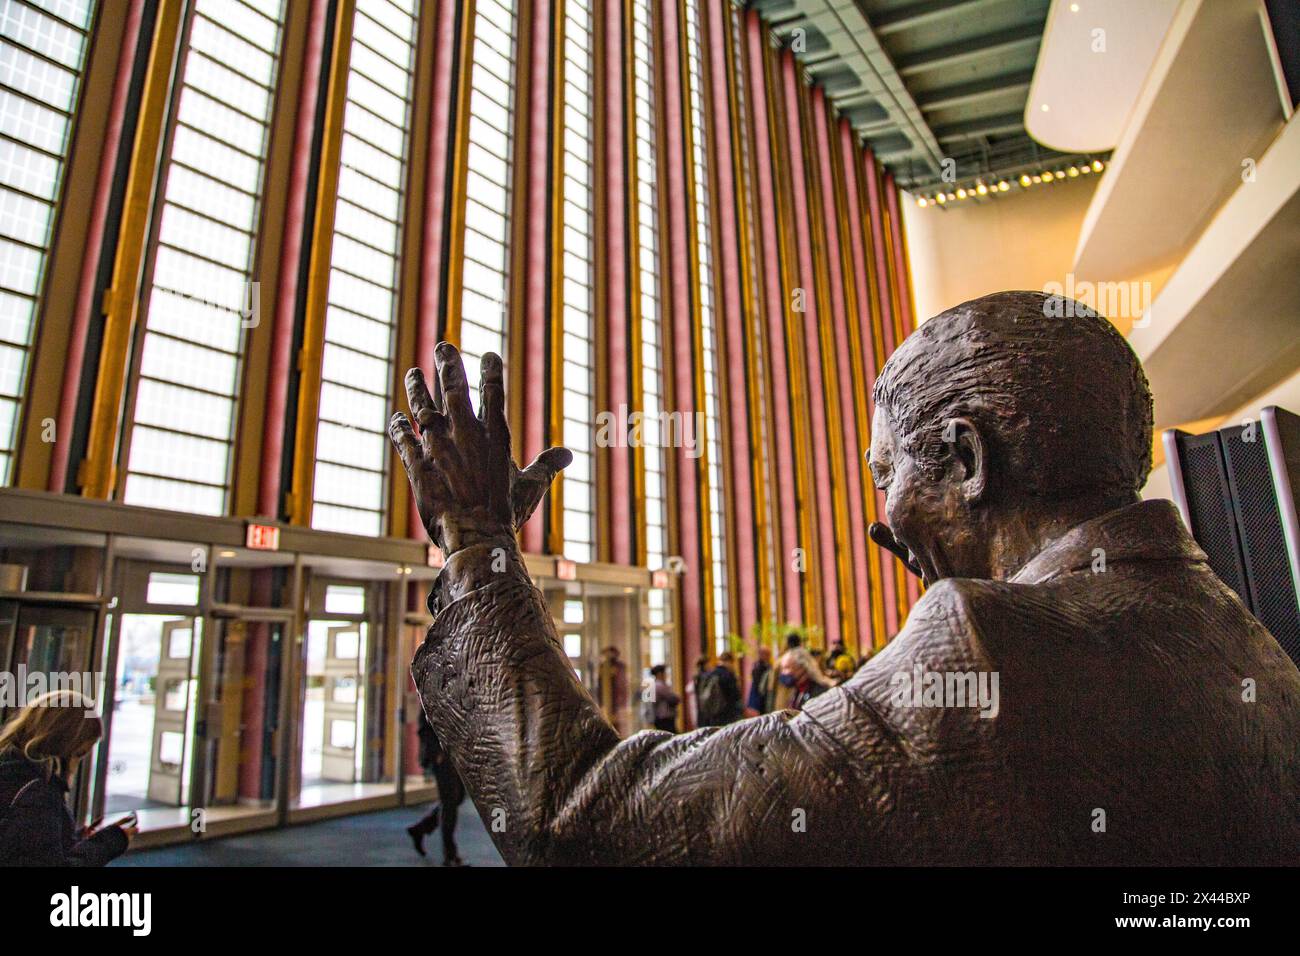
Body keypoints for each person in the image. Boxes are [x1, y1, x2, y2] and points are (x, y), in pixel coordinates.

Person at [391, 302, 1300, 865]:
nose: (889, 512)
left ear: (965, 460)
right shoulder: (1247, 642)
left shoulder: (982, 645)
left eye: (885, 473)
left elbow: (578, 826)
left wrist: (476, 542)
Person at [0, 690, 135, 866]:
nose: (76, 765)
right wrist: (109, 843)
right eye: (80, 754)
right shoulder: (37, 795)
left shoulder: (13, 771)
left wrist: (78, 839)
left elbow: (28, 847)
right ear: (65, 748)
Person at [406, 711, 467, 866]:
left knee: (458, 796)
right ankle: (450, 855)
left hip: (454, 754)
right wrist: (438, 754)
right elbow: (424, 728)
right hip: (441, 757)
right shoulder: (434, 694)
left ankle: (420, 829)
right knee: (449, 802)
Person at [775, 633, 835, 710]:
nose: (783, 673)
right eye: (782, 669)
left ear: (801, 668)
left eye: (787, 668)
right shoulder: (794, 691)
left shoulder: (819, 693)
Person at [696, 652, 742, 727]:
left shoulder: (710, 674)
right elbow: (735, 696)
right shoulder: (727, 675)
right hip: (727, 715)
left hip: (712, 714)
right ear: (729, 662)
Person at [649, 665, 679, 732]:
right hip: (664, 716)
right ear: (659, 674)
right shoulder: (659, 685)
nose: (665, 675)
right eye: (664, 672)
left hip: (659, 716)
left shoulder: (654, 684)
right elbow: (671, 697)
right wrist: (677, 698)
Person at [745, 646, 774, 716]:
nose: (768, 656)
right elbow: (758, 683)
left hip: (764, 695)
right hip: (760, 696)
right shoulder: (758, 666)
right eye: (767, 654)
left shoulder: (767, 665)